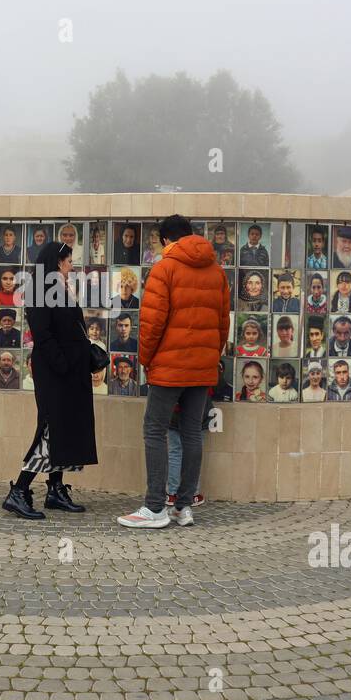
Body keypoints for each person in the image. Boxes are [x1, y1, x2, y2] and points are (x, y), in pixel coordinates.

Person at [121, 214, 229, 529]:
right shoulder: (217, 272)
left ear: (167, 240)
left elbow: (152, 325)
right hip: (203, 368)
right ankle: (183, 507)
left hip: (168, 369)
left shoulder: (164, 269)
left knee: (154, 430)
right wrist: (210, 357)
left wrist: (146, 360)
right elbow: (223, 325)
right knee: (192, 432)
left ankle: (155, 507)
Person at [3, 240, 97, 520]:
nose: (71, 266)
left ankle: (55, 489)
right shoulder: (38, 290)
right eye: (68, 262)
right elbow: (43, 335)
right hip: (55, 373)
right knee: (50, 428)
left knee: (64, 427)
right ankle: (19, 491)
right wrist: (65, 365)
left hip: (68, 372)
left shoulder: (59, 289)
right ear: (57, 263)